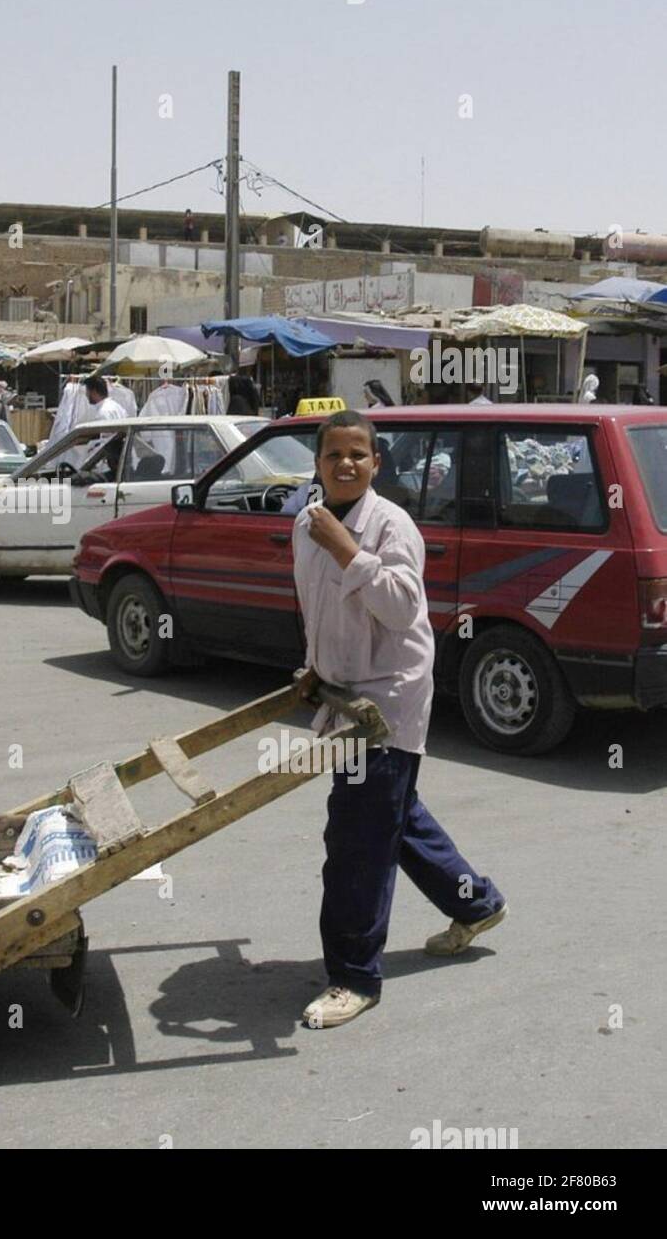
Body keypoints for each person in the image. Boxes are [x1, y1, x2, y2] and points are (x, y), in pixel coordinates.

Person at [293, 410, 506, 1029]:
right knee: (396, 816)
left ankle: (354, 978)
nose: (347, 464)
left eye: (359, 454)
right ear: (318, 464)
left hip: (387, 699)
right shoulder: (312, 523)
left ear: (376, 463)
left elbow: (402, 606)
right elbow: (316, 608)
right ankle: (476, 904)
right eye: (335, 454)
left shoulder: (390, 525)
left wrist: (349, 551)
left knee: (357, 842)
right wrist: (311, 665)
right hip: (344, 690)